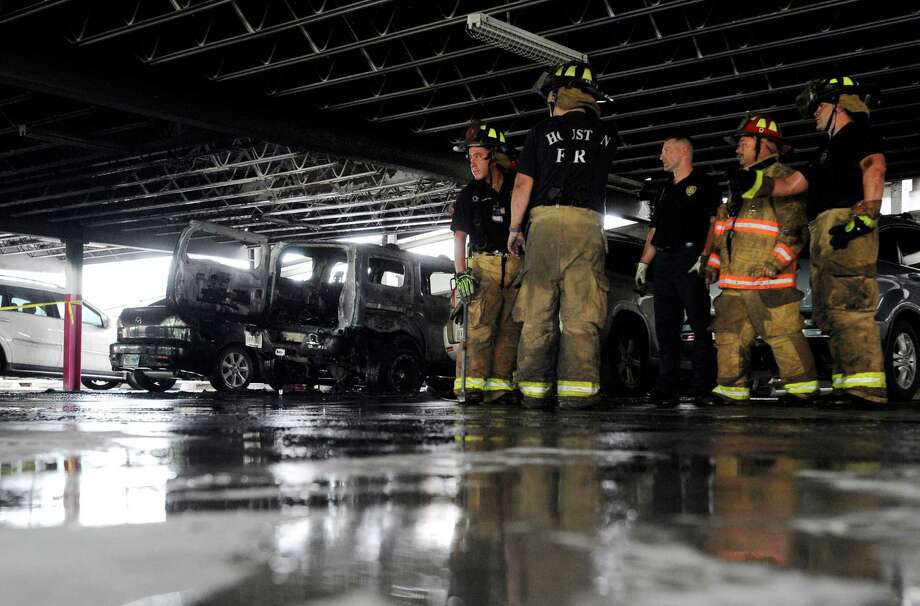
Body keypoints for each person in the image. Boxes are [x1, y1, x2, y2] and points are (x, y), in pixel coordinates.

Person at [735, 76, 887, 405]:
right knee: (830, 311)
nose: (815, 113)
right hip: (825, 231)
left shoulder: (858, 133)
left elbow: (874, 166)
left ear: (839, 106)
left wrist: (867, 214)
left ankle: (866, 388)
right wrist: (753, 182)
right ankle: (850, 386)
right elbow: (790, 185)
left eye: (820, 106)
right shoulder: (825, 149)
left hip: (846, 225)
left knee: (849, 307)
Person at [506, 61, 620, 410]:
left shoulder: (540, 132)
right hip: (587, 227)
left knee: (538, 311)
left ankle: (534, 392)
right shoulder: (608, 135)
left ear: (558, 94)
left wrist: (514, 228)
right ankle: (578, 394)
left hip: (544, 227)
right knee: (582, 315)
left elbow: (524, 183)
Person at [705, 115, 817, 404]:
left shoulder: (782, 178)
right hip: (734, 284)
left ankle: (801, 391)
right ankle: (731, 390)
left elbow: (795, 229)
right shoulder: (738, 184)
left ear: (764, 145)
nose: (737, 150)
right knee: (728, 336)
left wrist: (775, 264)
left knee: (783, 336)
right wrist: (713, 264)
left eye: (743, 144)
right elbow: (723, 229)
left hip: (770, 283)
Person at [635, 136, 719, 405]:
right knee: (665, 327)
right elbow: (655, 230)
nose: (661, 156)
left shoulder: (704, 183)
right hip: (666, 261)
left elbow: (714, 223)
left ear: (684, 152)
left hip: (690, 256)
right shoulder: (663, 189)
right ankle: (666, 387)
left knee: (698, 323)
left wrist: (704, 256)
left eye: (666, 150)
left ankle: (703, 385)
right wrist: (644, 262)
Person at [451, 121, 522, 405]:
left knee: (509, 333)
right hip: (483, 266)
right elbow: (459, 238)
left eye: (478, 155)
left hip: (515, 268)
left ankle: (499, 389)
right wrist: (461, 275)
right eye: (470, 157)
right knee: (478, 330)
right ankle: (470, 388)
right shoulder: (469, 194)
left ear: (494, 157)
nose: (473, 163)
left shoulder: (514, 190)